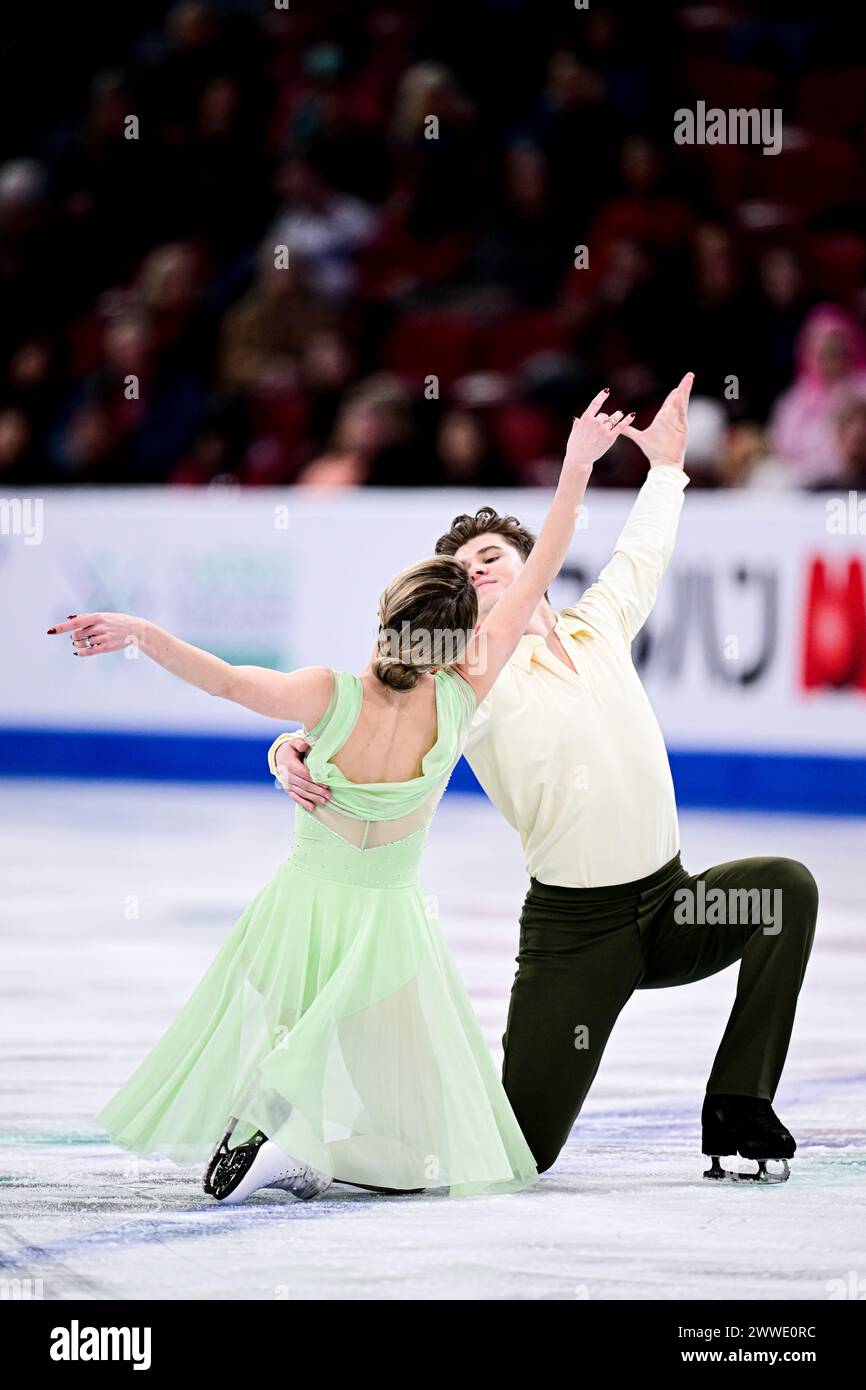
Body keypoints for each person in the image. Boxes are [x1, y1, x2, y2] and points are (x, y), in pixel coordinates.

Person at [47, 389, 634, 1204]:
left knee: (298, 1029)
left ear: (384, 619)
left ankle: (281, 1129)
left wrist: (141, 635)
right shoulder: (463, 695)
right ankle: (290, 1137)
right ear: (460, 637)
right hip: (388, 923)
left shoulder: (327, 694)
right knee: (413, 1148)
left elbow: (223, 680)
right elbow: (546, 561)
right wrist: (576, 466)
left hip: (298, 909)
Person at [275, 374, 819, 1184]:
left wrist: (667, 466)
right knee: (512, 1155)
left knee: (783, 890)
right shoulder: (468, 681)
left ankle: (740, 1101)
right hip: (578, 936)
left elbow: (642, 554)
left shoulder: (597, 625)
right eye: (461, 571)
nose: (477, 574)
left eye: (491, 558)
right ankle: (305, 1142)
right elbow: (375, 697)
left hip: (675, 906)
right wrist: (296, 741)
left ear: (533, 565)